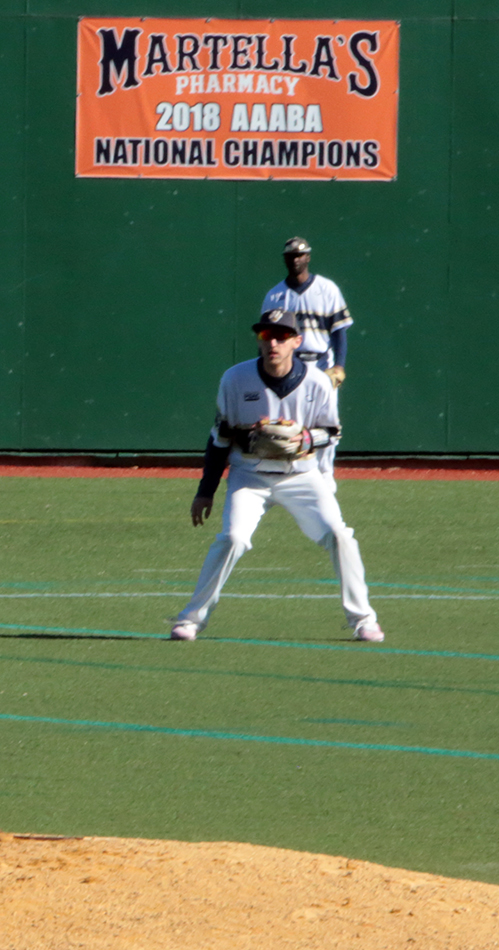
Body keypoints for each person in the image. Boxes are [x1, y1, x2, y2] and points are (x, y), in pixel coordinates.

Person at [170, 309, 382, 644]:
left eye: (282, 337)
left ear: (297, 342)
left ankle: (363, 619)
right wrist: (206, 490)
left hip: (301, 475)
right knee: (233, 538)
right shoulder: (235, 380)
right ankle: (191, 619)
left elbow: (332, 431)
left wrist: (305, 440)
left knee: (340, 536)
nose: (274, 343)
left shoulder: (317, 382)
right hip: (250, 474)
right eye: (267, 336)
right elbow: (220, 438)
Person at [262, 237, 354, 391]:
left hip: (322, 366)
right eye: (291, 256)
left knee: (323, 415)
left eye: (300, 255)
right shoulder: (274, 296)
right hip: (287, 366)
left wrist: (339, 366)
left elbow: (338, 331)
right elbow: (266, 338)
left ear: (308, 257)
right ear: (285, 259)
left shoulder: (327, 289)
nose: (295, 260)